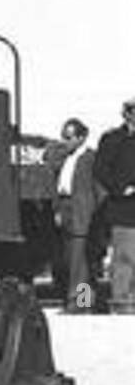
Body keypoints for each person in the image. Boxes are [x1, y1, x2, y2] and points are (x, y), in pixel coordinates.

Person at [50, 119, 103, 312]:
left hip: (82, 212)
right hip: (65, 208)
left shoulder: (90, 158)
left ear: (82, 137)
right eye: (64, 137)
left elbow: (98, 188)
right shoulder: (65, 157)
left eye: (70, 137)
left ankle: (82, 303)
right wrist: (57, 209)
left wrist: (95, 215)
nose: (66, 141)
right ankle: (72, 301)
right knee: (68, 259)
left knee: (81, 262)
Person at [94, 98, 135, 314]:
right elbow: (100, 170)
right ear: (127, 114)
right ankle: (121, 303)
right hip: (124, 210)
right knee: (125, 257)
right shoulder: (113, 139)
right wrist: (120, 189)